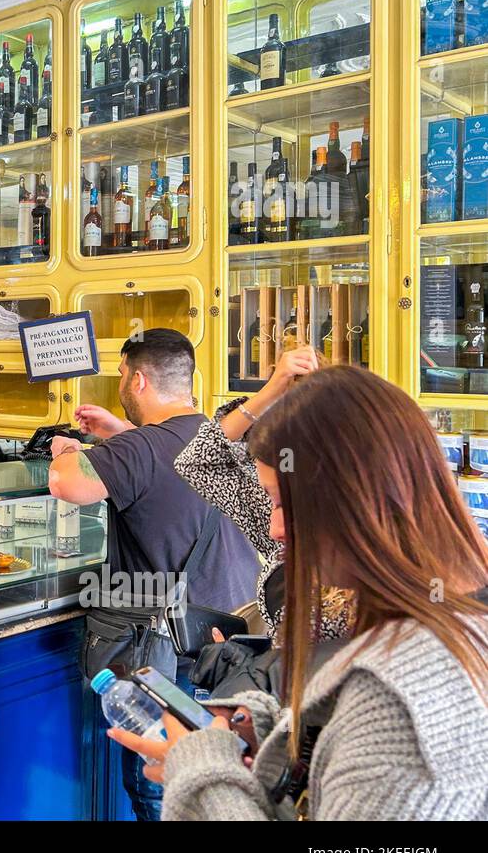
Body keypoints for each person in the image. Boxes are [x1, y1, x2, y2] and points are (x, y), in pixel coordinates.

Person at [112, 367, 488, 821]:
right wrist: (280, 728)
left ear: (357, 495)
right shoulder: (434, 610)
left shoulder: (399, 703)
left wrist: (202, 770)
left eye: (283, 502)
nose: (274, 527)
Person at [47, 328, 259, 821]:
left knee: (160, 782)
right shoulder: (221, 439)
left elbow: (66, 484)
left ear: (138, 379)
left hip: (163, 651)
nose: (121, 383)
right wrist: (121, 434)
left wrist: (68, 450)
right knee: (216, 774)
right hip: (229, 642)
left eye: (122, 374)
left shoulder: (138, 450)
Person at [173, 346, 353, 697]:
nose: (276, 527)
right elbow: (195, 463)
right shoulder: (266, 500)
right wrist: (270, 390)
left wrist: (249, 675)